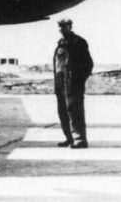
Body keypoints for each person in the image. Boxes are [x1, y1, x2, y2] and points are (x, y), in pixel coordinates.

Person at [53, 18, 93, 149]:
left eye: (64, 26)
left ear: (70, 26)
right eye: (60, 26)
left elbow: (88, 64)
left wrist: (78, 79)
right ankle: (69, 138)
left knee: (75, 111)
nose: (61, 29)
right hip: (60, 83)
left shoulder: (79, 42)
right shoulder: (61, 43)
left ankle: (80, 140)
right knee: (63, 111)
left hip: (73, 83)